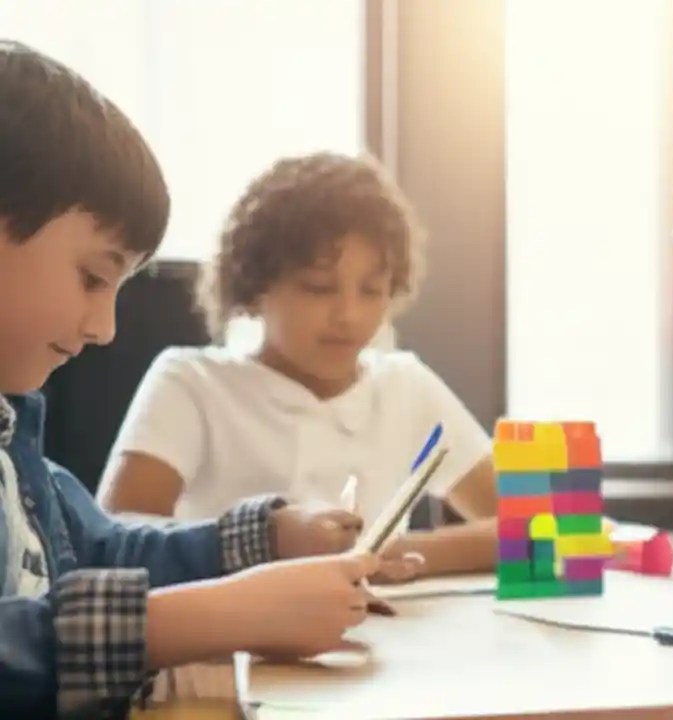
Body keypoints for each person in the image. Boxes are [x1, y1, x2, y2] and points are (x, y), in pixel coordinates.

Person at [0, 41, 379, 717]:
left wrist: (271, 538)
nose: (105, 328)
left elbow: (107, 546)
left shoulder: (16, 451)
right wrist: (211, 618)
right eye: (93, 276)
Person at [97, 152, 497, 580]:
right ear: (255, 285)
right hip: (234, 639)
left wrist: (388, 553)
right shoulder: (191, 382)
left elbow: (536, 531)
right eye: (319, 288)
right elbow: (115, 537)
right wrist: (273, 544)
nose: (349, 315)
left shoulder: (406, 386)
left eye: (372, 290)